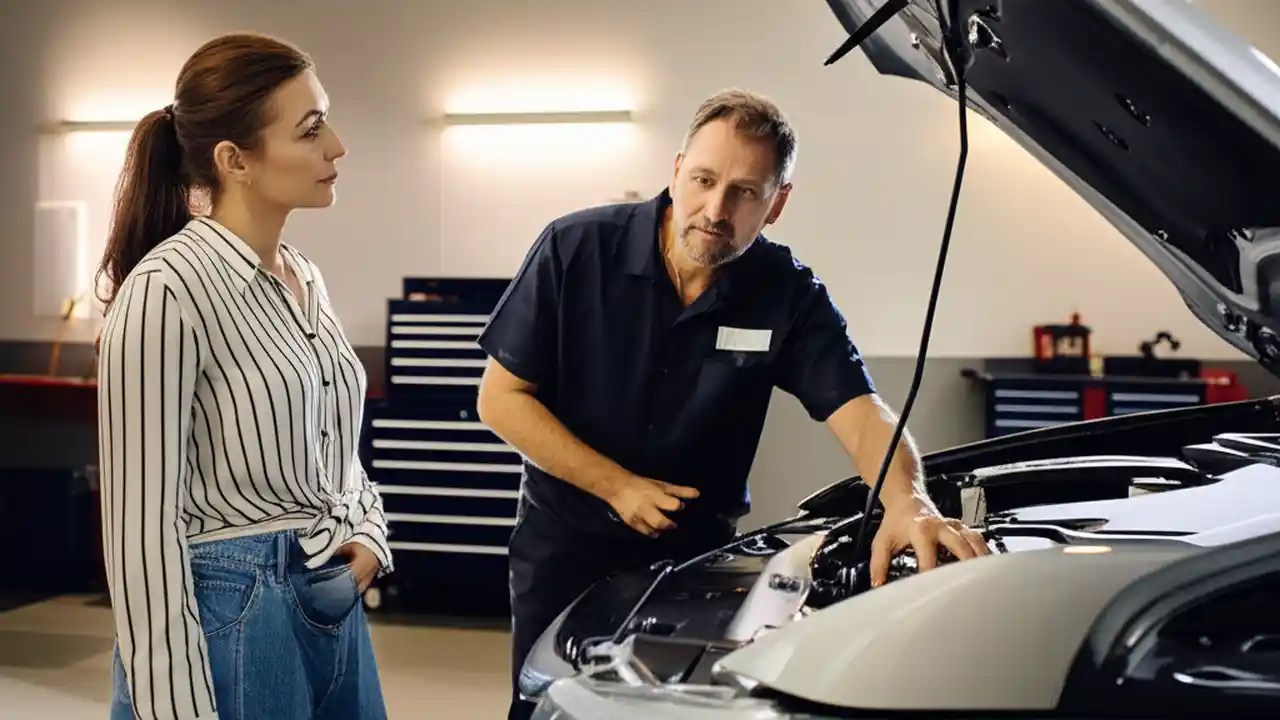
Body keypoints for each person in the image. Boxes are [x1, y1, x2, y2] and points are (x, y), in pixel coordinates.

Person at [476, 88, 991, 720]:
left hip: (695, 562)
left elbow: (861, 412)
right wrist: (617, 486)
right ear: (676, 171)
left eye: (745, 192)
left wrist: (908, 502)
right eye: (703, 180)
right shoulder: (574, 248)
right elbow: (501, 400)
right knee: (551, 710)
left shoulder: (787, 294)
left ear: (777, 203)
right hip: (564, 550)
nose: (715, 209)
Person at [95, 32, 392, 720]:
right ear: (235, 161)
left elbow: (333, 445)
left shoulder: (302, 276)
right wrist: (172, 705)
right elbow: (141, 532)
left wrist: (369, 531)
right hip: (231, 609)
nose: (338, 146)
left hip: (329, 596)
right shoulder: (168, 288)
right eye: (311, 130)